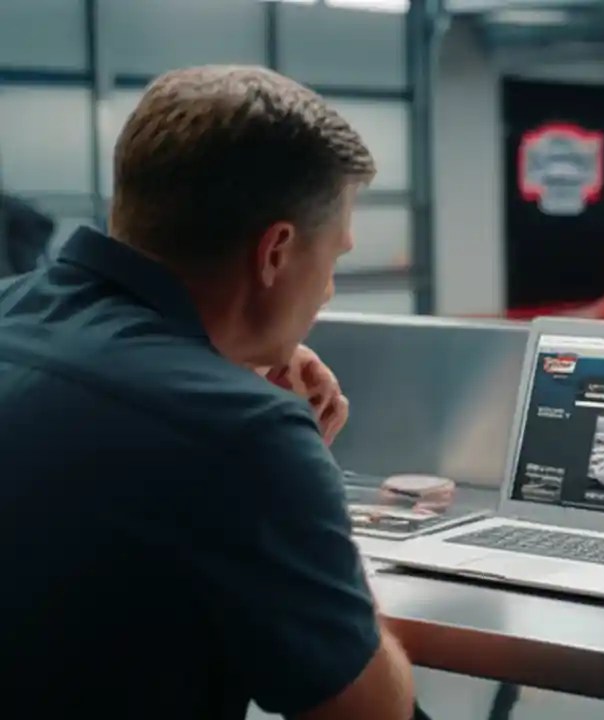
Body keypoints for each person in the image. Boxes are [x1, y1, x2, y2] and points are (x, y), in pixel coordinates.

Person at [0, 66, 416, 719]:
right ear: (275, 253)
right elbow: (372, 714)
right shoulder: (243, 433)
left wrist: (222, 365)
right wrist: (301, 485)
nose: (329, 289)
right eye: (334, 256)